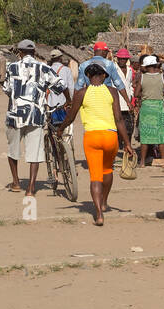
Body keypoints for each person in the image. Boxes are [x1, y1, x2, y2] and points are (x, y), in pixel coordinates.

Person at [58, 61, 135, 225]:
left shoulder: (81, 93)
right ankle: (105, 202)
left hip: (92, 137)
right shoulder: (112, 91)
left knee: (95, 176)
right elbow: (119, 119)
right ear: (104, 76)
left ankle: (99, 214)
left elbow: (71, 117)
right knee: (107, 170)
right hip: (110, 136)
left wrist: (60, 129)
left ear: (87, 77)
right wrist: (127, 143)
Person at [2, 40, 65, 196]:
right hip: (36, 116)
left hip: (15, 115)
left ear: (20, 52)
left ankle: (16, 183)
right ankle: (30, 189)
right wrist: (68, 101)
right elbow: (60, 86)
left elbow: (7, 90)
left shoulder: (12, 67)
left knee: (13, 150)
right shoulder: (44, 68)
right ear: (34, 52)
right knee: (35, 153)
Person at [135, 55, 164, 166]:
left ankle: (142, 162)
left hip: (146, 108)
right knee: (160, 135)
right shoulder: (162, 77)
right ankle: (163, 162)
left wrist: (145, 94)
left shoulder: (142, 77)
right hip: (158, 108)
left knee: (145, 135)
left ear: (146, 66)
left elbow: (136, 94)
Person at [47, 49, 74, 141]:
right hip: (64, 104)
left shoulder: (47, 70)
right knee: (66, 129)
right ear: (61, 58)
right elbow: (70, 88)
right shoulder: (66, 70)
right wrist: (70, 101)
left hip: (51, 105)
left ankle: (54, 147)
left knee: (52, 127)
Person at [114, 48, 137, 139]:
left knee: (128, 125)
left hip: (127, 102)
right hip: (116, 100)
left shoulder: (130, 70)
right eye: (121, 59)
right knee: (116, 124)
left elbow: (130, 84)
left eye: (124, 59)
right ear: (118, 59)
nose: (122, 60)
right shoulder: (114, 69)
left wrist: (131, 95)